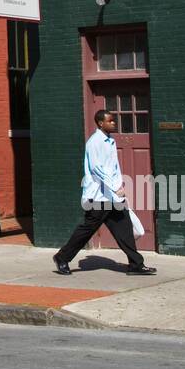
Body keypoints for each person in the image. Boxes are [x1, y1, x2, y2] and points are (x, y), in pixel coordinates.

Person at [53, 109, 156, 276]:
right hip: (98, 196)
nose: (114, 123)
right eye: (110, 120)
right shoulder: (95, 142)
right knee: (87, 229)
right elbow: (96, 168)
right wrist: (114, 187)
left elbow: (113, 167)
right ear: (101, 123)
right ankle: (62, 257)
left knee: (125, 229)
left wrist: (119, 185)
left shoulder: (110, 140)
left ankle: (136, 264)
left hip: (113, 196)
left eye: (114, 120)